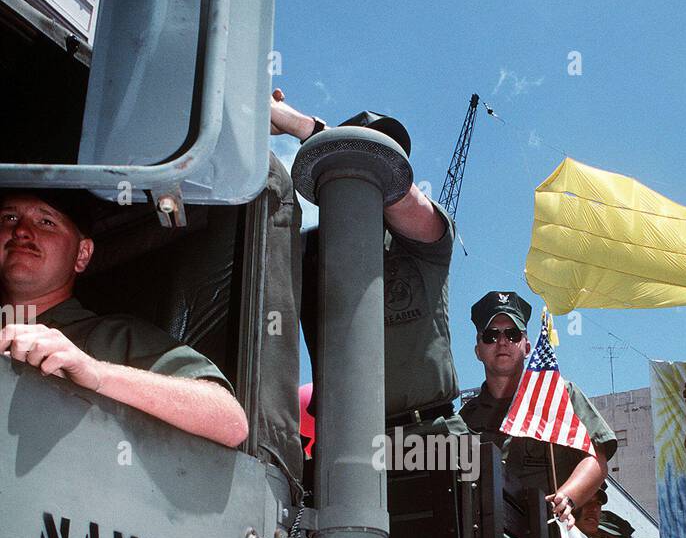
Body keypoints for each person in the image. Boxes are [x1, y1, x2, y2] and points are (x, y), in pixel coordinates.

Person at [269, 91, 465, 441]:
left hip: (432, 434)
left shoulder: (426, 240)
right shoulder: (309, 250)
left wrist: (306, 129)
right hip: (345, 440)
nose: (382, 167)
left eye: (389, 155)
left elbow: (406, 198)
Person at [0, 189, 248, 447]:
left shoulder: (113, 336)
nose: (21, 231)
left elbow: (229, 421)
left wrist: (96, 373)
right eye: (9, 218)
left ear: (82, 255)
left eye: (46, 222)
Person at [460, 291, 614, 524]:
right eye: (491, 336)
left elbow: (596, 457)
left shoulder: (559, 394)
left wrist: (568, 498)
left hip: (549, 530)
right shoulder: (465, 419)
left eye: (512, 334)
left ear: (527, 346)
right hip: (487, 535)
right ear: (478, 350)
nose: (502, 342)